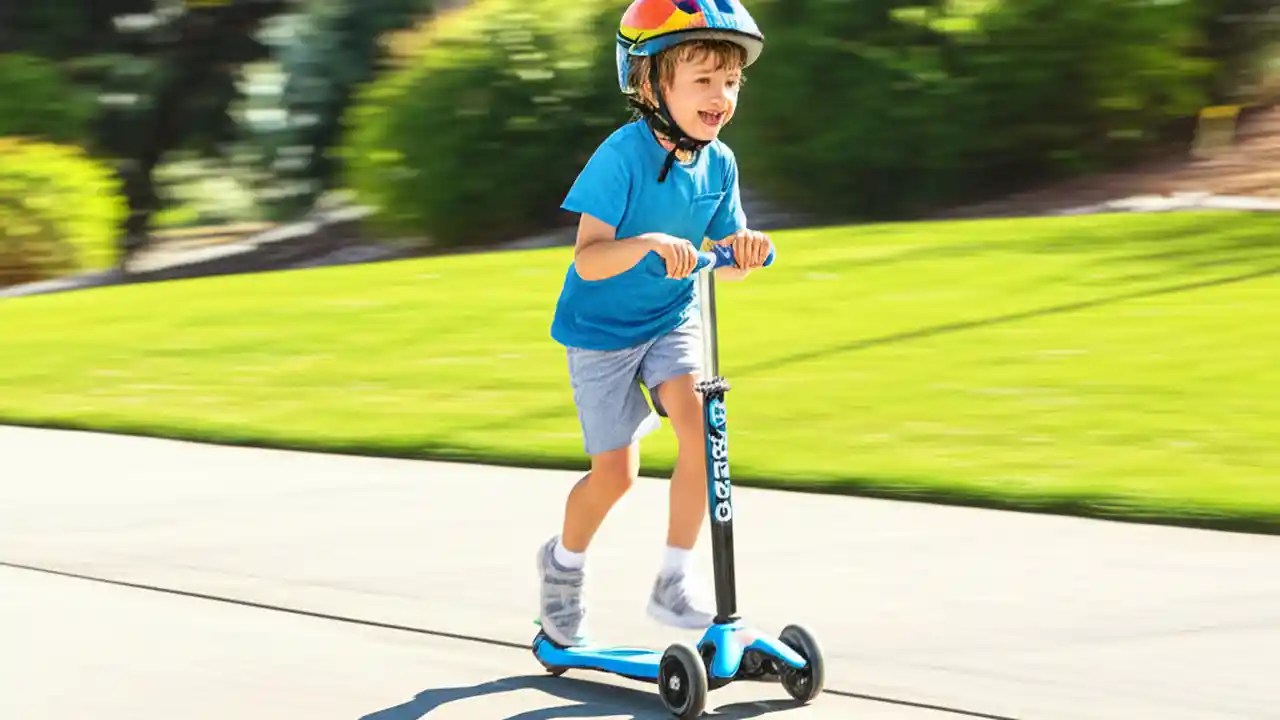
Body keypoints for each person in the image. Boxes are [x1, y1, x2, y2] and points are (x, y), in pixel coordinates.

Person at [536, 0, 773, 648]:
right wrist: (647, 244)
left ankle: (674, 582)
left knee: (702, 430)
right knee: (616, 473)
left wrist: (743, 250)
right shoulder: (621, 156)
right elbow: (587, 261)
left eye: (730, 82)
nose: (720, 95)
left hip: (671, 319)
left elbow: (721, 264)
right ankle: (562, 567)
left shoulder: (719, 162)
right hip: (602, 332)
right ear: (649, 84)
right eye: (702, 80)